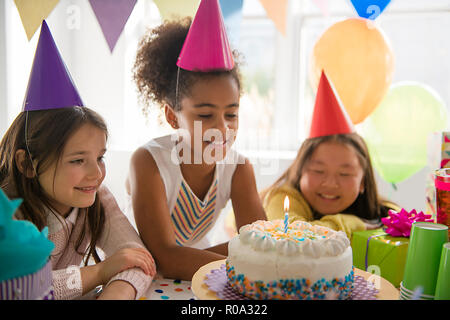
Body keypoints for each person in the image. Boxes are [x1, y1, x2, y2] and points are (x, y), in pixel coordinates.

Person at [0, 21, 155, 300]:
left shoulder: (97, 199)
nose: (96, 173)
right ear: (26, 164)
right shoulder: (7, 214)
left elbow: (137, 258)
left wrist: (117, 291)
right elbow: (17, 290)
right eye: (77, 160)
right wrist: (98, 273)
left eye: (100, 157)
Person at [127, 0, 266, 281]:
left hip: (201, 273)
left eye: (231, 114)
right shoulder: (148, 162)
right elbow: (163, 258)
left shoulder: (239, 169)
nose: (222, 127)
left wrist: (254, 252)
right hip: (140, 279)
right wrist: (244, 256)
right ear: (172, 116)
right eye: (205, 114)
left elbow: (261, 244)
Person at [260, 71, 399, 239]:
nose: (331, 184)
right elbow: (294, 236)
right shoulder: (281, 198)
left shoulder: (384, 213)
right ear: (300, 171)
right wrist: (352, 223)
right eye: (318, 171)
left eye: (344, 173)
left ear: (363, 181)